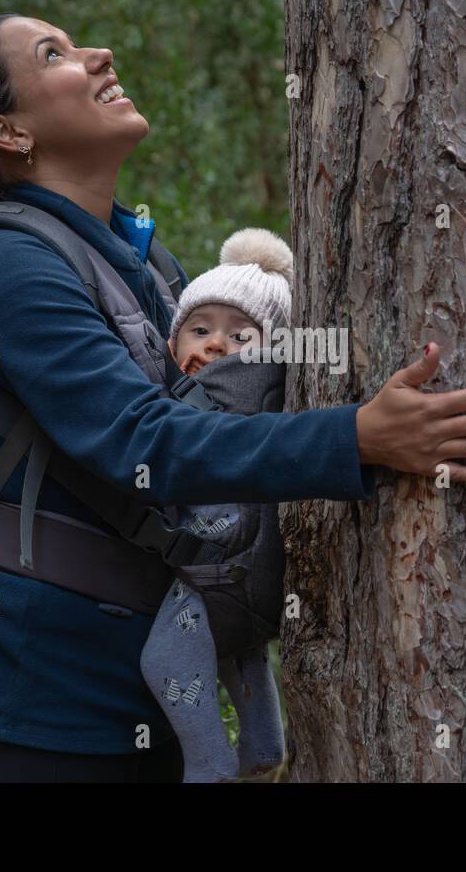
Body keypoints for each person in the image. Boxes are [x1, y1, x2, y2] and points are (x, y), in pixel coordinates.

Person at [0, 13, 466, 783]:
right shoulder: (4, 265)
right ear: (8, 129)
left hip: (124, 699)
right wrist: (356, 437)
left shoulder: (138, 259)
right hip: (30, 711)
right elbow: (143, 443)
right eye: (53, 54)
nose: (100, 54)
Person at [141, 225, 297, 782]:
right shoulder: (257, 395)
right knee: (238, 649)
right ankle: (260, 744)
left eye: (240, 336)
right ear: (172, 341)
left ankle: (209, 767)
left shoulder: (221, 397)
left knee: (165, 662)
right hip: (250, 570)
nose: (214, 345)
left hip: (219, 564)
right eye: (199, 329)